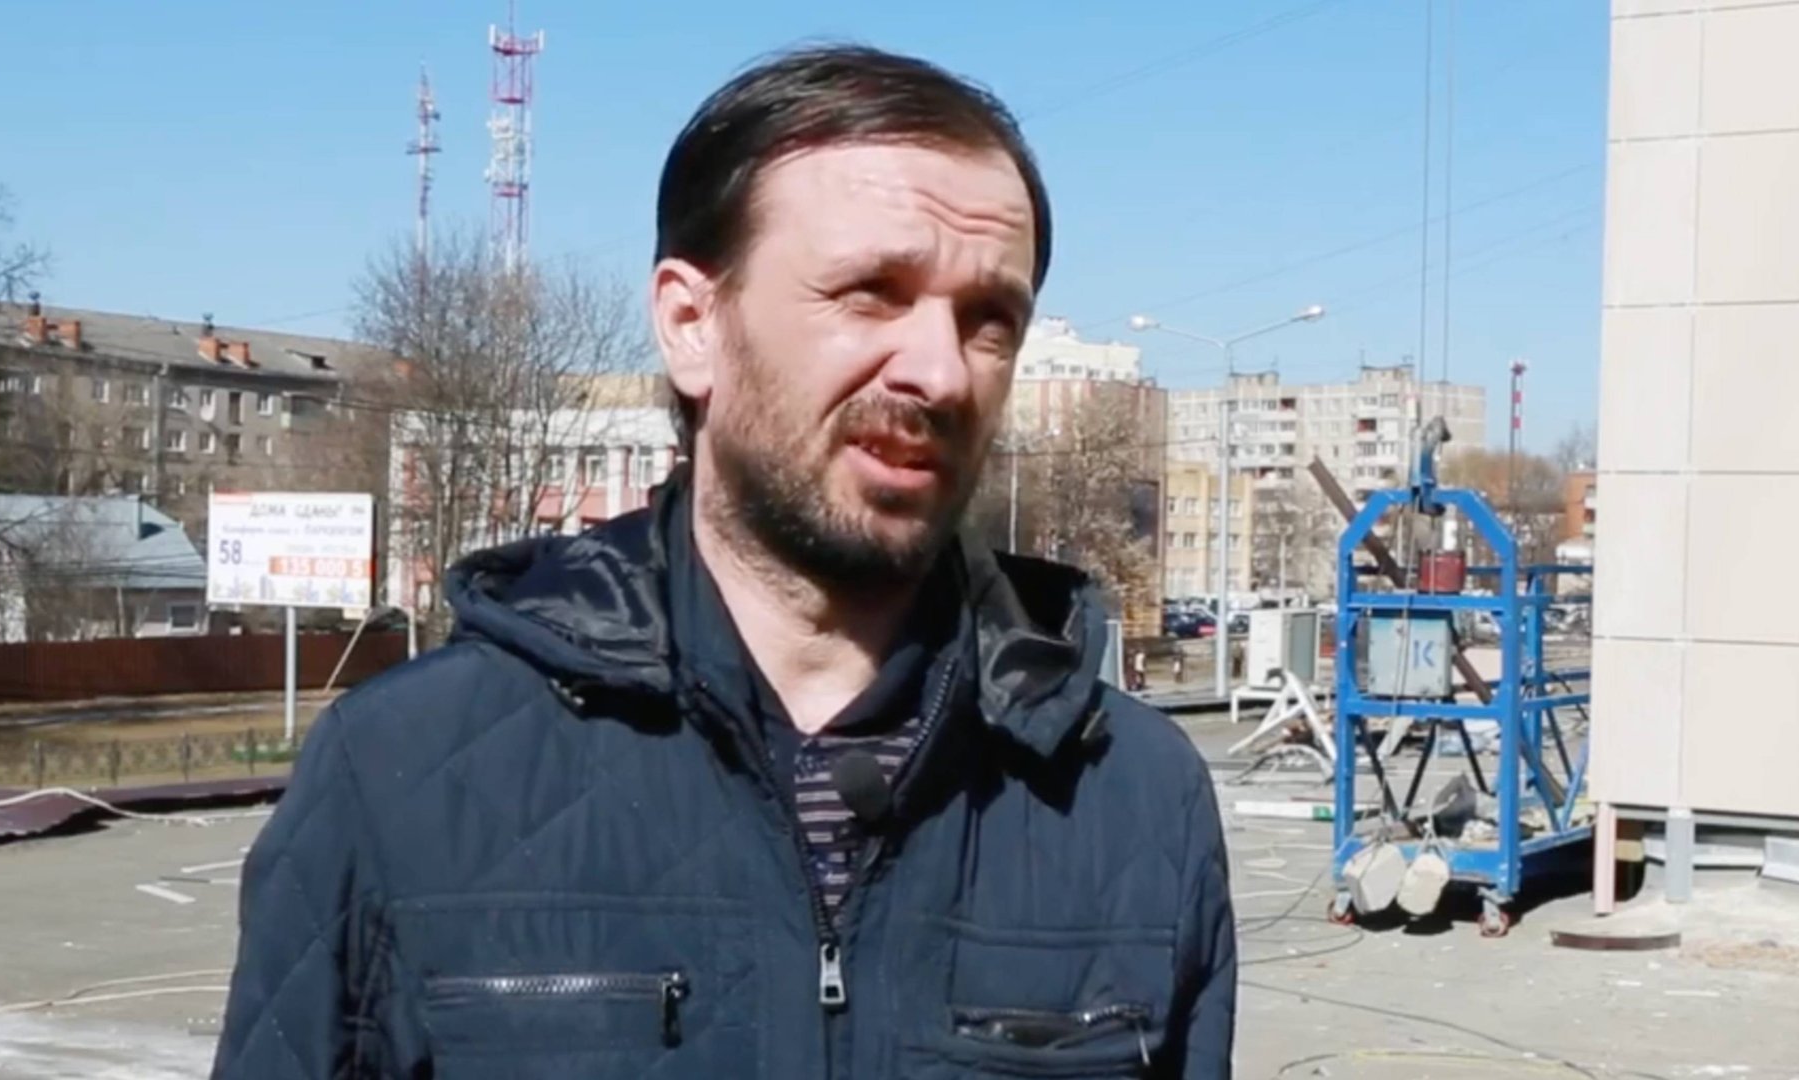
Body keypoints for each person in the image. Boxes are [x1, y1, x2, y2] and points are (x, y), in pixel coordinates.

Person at [211, 44, 1234, 1080]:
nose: (940, 372)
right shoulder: (405, 771)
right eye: (871, 293)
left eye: (989, 321)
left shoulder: (1134, 800)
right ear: (692, 325)